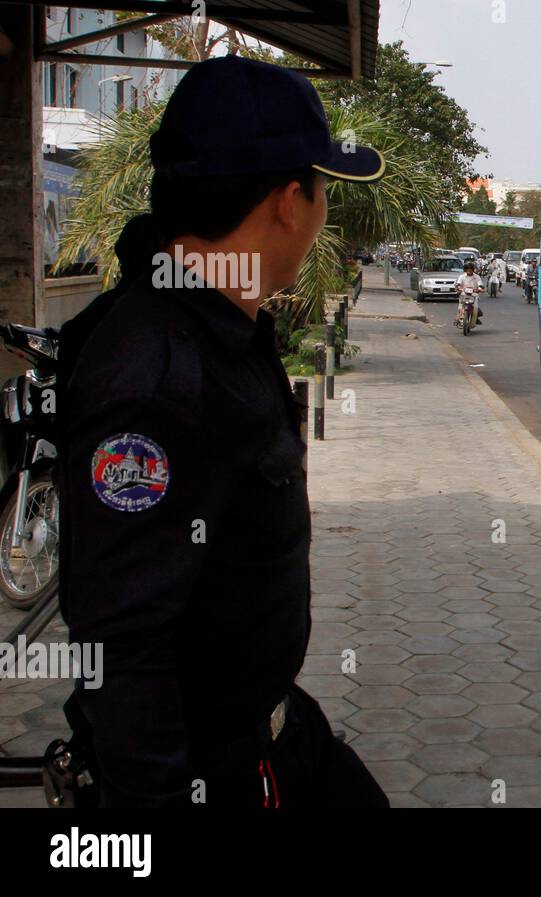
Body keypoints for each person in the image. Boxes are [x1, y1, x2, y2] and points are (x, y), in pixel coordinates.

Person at [57, 55, 390, 808]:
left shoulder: (221, 331)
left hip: (270, 736)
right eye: (323, 190)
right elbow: (124, 648)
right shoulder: (155, 377)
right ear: (286, 201)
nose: (322, 212)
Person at [455, 260, 484, 326]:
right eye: (467, 269)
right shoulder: (462, 276)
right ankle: (458, 318)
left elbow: (480, 285)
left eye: (471, 269)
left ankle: (474, 319)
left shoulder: (477, 277)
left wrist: (480, 289)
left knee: (475, 308)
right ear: (465, 270)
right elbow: (458, 284)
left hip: (474, 295)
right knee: (460, 308)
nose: (469, 271)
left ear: (473, 270)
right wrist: (459, 288)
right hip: (464, 294)